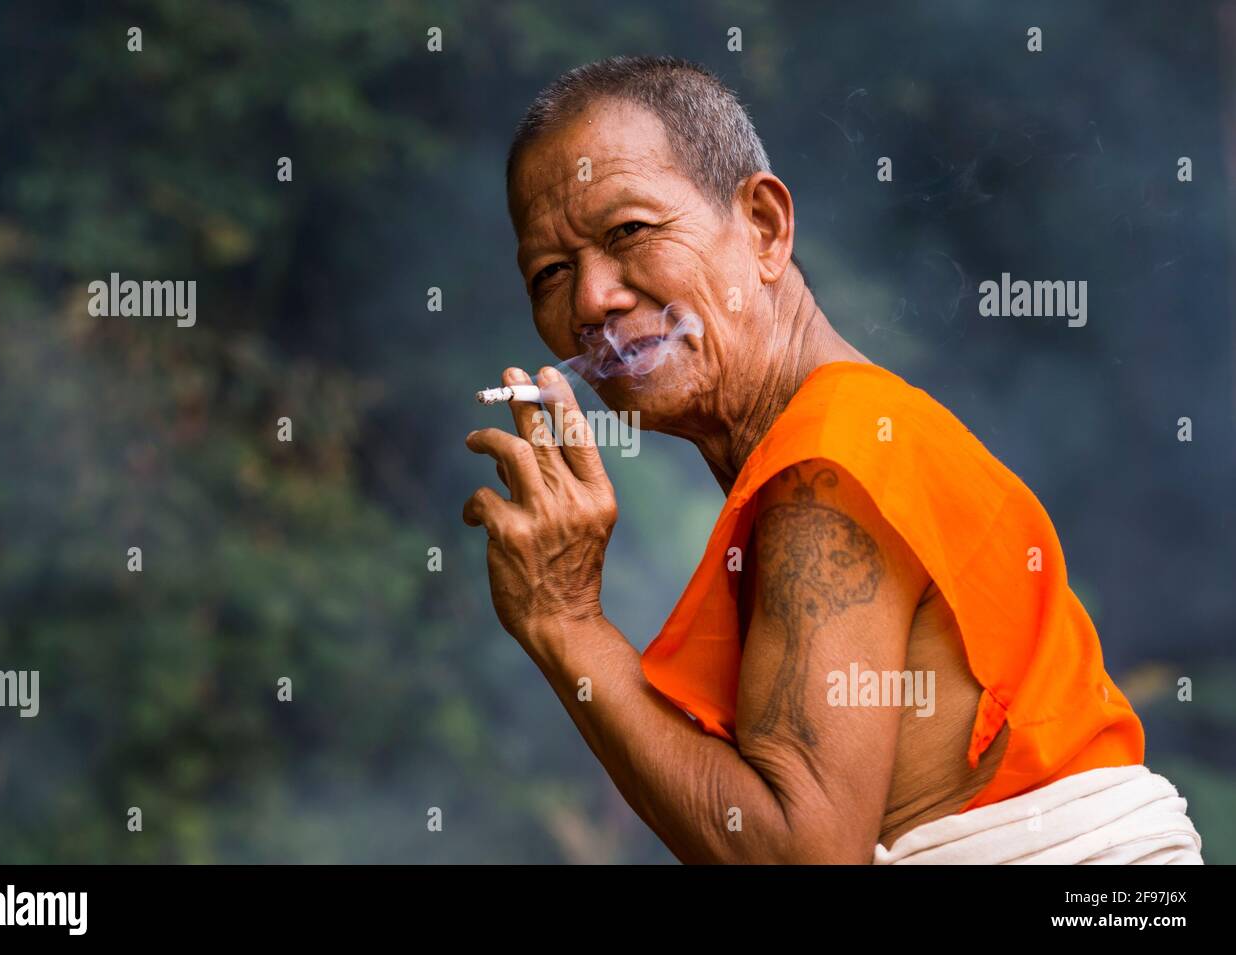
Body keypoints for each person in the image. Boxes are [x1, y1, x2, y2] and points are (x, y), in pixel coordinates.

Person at [463, 55, 1202, 864]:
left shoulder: (834, 463)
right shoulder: (825, 446)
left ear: (766, 228)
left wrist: (564, 621)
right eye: (551, 272)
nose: (592, 300)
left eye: (629, 232)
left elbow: (799, 853)